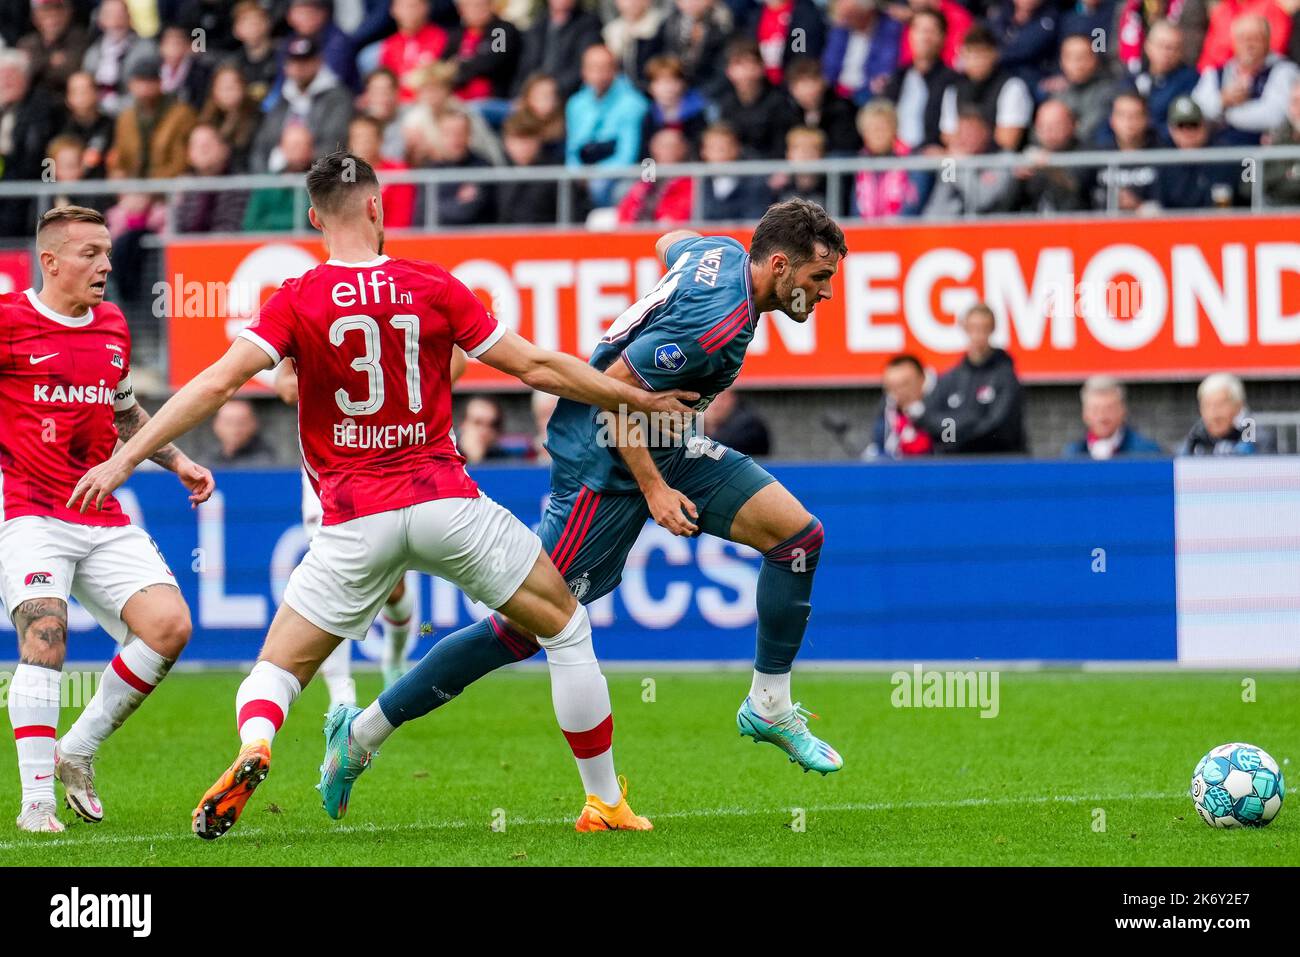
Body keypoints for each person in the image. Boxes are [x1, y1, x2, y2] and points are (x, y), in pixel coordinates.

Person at [69, 150, 698, 840]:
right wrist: (635, 395)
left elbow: (216, 383)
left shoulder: (296, 298)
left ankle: (258, 743)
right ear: (376, 206)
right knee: (565, 627)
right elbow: (537, 365)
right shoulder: (432, 284)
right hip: (446, 504)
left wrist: (126, 458)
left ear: (315, 220)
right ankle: (603, 802)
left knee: (278, 669)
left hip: (352, 521)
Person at [339, 199, 848, 831]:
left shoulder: (716, 252)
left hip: (666, 441)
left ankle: (769, 704)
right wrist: (655, 491)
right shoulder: (714, 322)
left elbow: (670, 241)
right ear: (779, 266)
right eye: (820, 277)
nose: (826, 293)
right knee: (521, 629)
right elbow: (616, 399)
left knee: (798, 539)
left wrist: (665, 299)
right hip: (603, 460)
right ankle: (361, 733)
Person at [1, 206, 214, 833]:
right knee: (46, 634)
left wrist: (177, 460)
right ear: (51, 262)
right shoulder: (9, 321)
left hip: (100, 512)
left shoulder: (114, 325)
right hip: (30, 511)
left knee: (169, 627)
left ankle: (77, 748)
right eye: (90, 254)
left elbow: (124, 414)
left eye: (108, 253)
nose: (105, 266)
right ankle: (36, 804)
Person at [908, 303, 1027, 453]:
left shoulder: (1005, 377)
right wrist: (959, 430)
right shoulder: (951, 378)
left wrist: (958, 433)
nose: (978, 335)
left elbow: (999, 426)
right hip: (957, 460)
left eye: (984, 328)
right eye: (973, 328)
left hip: (997, 459)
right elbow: (928, 418)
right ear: (965, 328)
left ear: (992, 329)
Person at [250, 36, 354, 172]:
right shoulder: (281, 98)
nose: (299, 67)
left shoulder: (337, 97)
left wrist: (299, 159)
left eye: (305, 61)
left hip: (320, 177)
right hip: (276, 177)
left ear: (318, 61)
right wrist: (264, 178)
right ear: (286, 66)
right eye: (294, 62)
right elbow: (262, 146)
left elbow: (336, 144)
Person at [1192, 14, 1299, 144]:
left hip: (1261, 152)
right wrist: (1223, 100)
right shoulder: (1215, 74)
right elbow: (1194, 111)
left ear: (1267, 41)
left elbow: (1276, 115)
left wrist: (1226, 114)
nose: (1249, 44)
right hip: (1218, 151)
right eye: (1242, 38)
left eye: (1255, 38)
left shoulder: (1284, 71)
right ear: (1234, 41)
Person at [106, 56, 198, 179]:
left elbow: (182, 160)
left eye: (150, 81)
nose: (145, 87)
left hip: (171, 184)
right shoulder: (125, 118)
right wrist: (119, 177)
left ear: (160, 83)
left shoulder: (182, 115)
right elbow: (118, 157)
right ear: (131, 85)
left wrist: (152, 185)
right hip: (134, 184)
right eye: (140, 81)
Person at [1063, 376, 1163, 458]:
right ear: (1085, 414)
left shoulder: (1147, 454)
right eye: (1095, 410)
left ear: (1123, 411)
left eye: (1109, 408)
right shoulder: (1072, 455)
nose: (1102, 416)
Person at [1178, 373, 1278, 454]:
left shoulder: (1258, 439)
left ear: (1238, 406)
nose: (1214, 414)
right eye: (1207, 406)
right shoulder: (1195, 439)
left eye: (1220, 405)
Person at [698, 122, 774, 220]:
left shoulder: (755, 183)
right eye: (713, 148)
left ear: (736, 149)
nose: (720, 154)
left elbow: (755, 217)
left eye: (723, 148)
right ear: (703, 151)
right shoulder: (698, 182)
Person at [865, 353, 933, 458]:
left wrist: (924, 418)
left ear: (922, 380)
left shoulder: (944, 406)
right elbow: (879, 445)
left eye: (904, 384)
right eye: (891, 387)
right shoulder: (887, 413)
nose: (898, 392)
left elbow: (950, 442)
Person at [211, 399, 279, 466]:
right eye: (228, 423)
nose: (235, 429)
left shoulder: (264, 461)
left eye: (241, 423)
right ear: (216, 425)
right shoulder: (210, 457)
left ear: (254, 424)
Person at [704, 388, 771, 455]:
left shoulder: (749, 425)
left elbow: (725, 450)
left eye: (722, 398)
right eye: (708, 398)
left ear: (733, 398)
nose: (716, 404)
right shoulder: (701, 423)